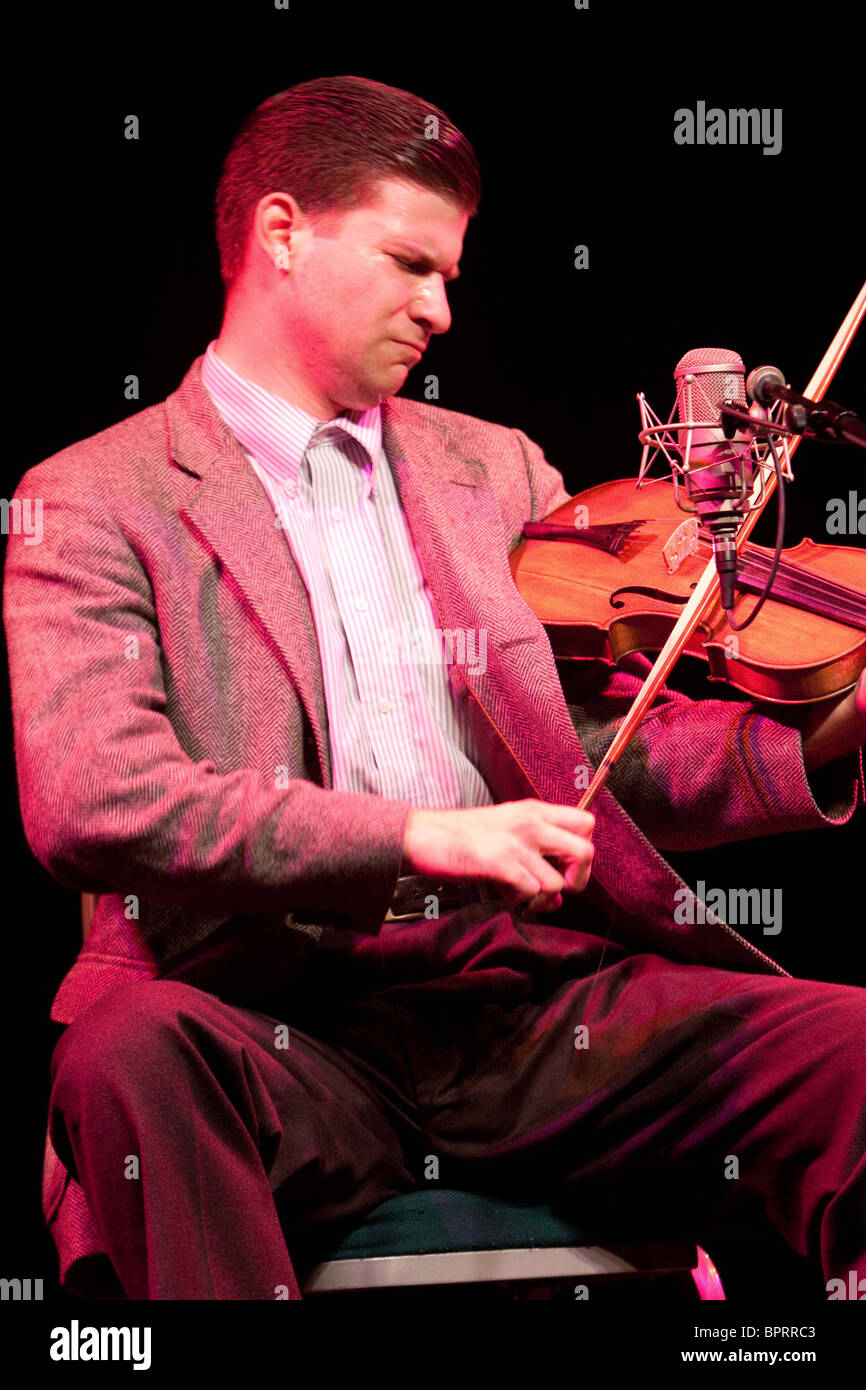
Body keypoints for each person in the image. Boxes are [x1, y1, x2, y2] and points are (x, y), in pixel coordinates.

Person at [4, 75, 864, 1301]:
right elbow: (92, 799)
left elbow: (599, 759)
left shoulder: (497, 467)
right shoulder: (95, 498)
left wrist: (826, 731)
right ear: (283, 232)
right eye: (411, 264)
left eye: (451, 274)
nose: (441, 311)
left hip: (527, 1013)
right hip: (277, 1024)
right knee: (123, 1056)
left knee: (855, 1055)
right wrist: (416, 836)